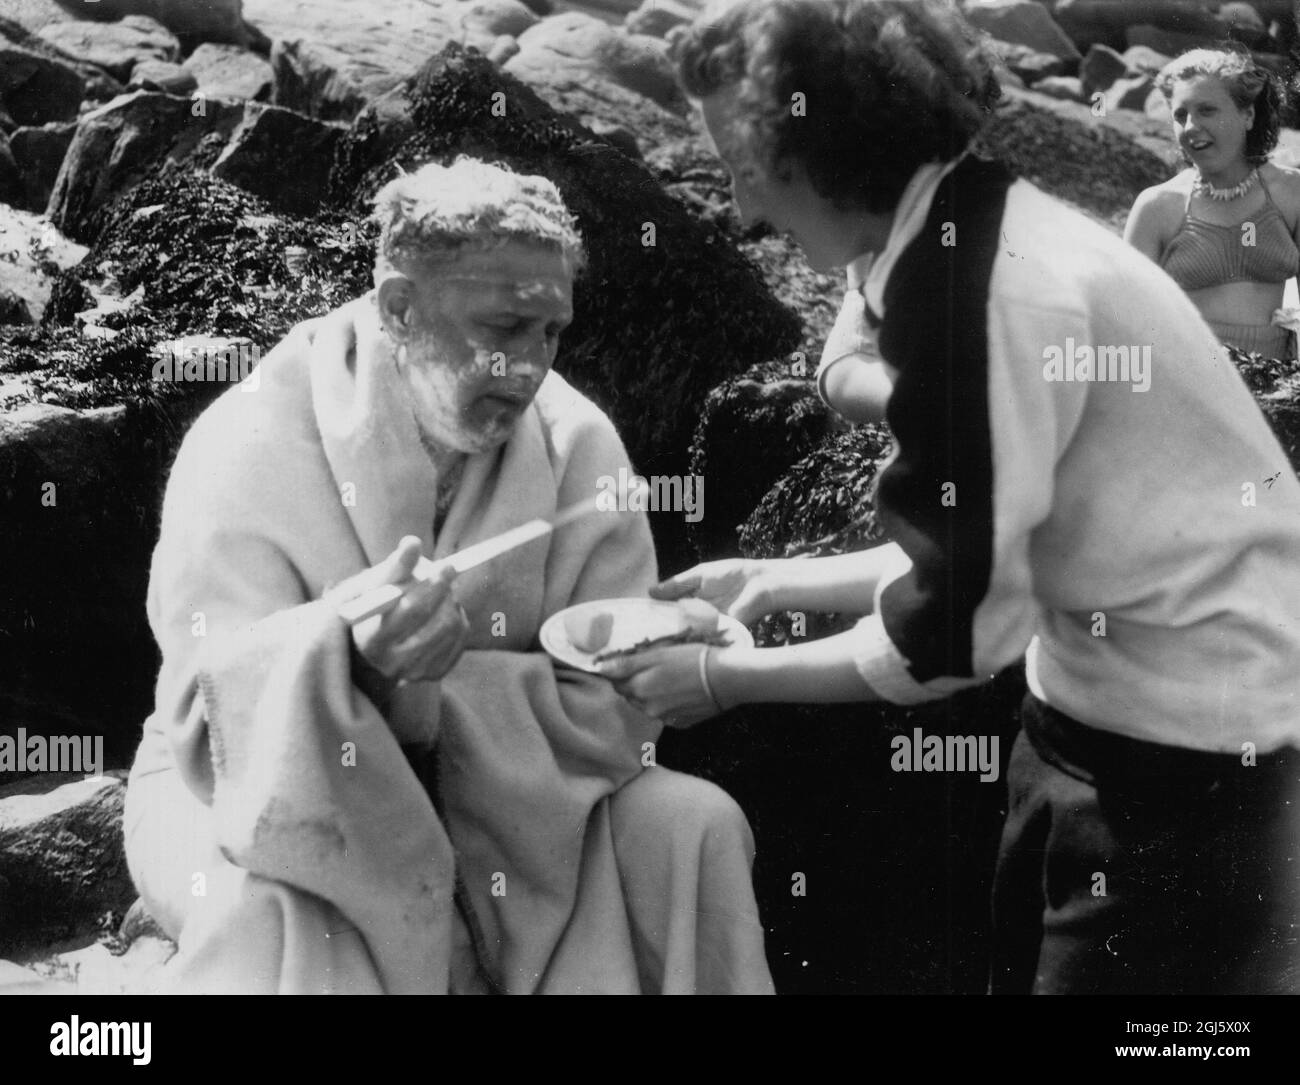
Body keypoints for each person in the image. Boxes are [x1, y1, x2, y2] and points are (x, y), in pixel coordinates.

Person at [603, 0, 1300, 994]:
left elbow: (954, 637)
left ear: (830, 155)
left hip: (1197, 766)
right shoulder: (965, 223)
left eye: (746, 168)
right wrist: (766, 578)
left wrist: (720, 683)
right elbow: (989, 539)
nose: (742, 209)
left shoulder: (987, 299)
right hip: (1086, 714)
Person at [122, 157, 773, 995]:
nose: (532, 368)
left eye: (551, 333)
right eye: (503, 330)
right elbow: (208, 721)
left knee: (694, 826)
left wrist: (428, 698)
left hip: (521, 812)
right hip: (251, 802)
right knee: (283, 911)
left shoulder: (578, 444)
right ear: (400, 306)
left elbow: (615, 715)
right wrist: (346, 655)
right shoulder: (246, 441)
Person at [1125, 47, 1300, 359]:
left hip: (1277, 386)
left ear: (1248, 115)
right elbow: (1127, 324)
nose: (1190, 126)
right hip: (1191, 383)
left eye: (1207, 110)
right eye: (1180, 115)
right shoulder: (1157, 207)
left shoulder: (1291, 194)